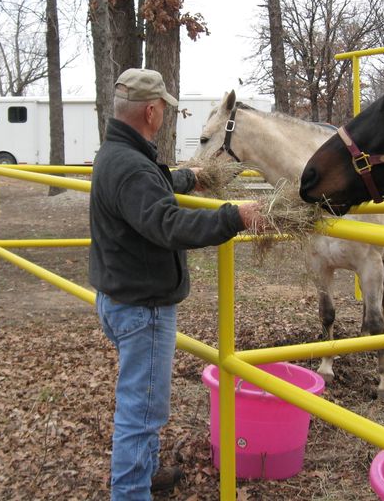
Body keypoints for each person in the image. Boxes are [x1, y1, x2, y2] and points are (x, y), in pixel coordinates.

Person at [89, 68, 265, 500]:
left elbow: (151, 187)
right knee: (143, 409)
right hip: (142, 307)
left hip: (121, 296)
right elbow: (166, 222)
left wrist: (187, 178)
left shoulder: (117, 153)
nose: (165, 113)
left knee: (142, 400)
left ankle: (143, 473)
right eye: (163, 107)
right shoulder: (130, 166)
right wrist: (236, 217)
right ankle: (130, 493)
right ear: (151, 111)